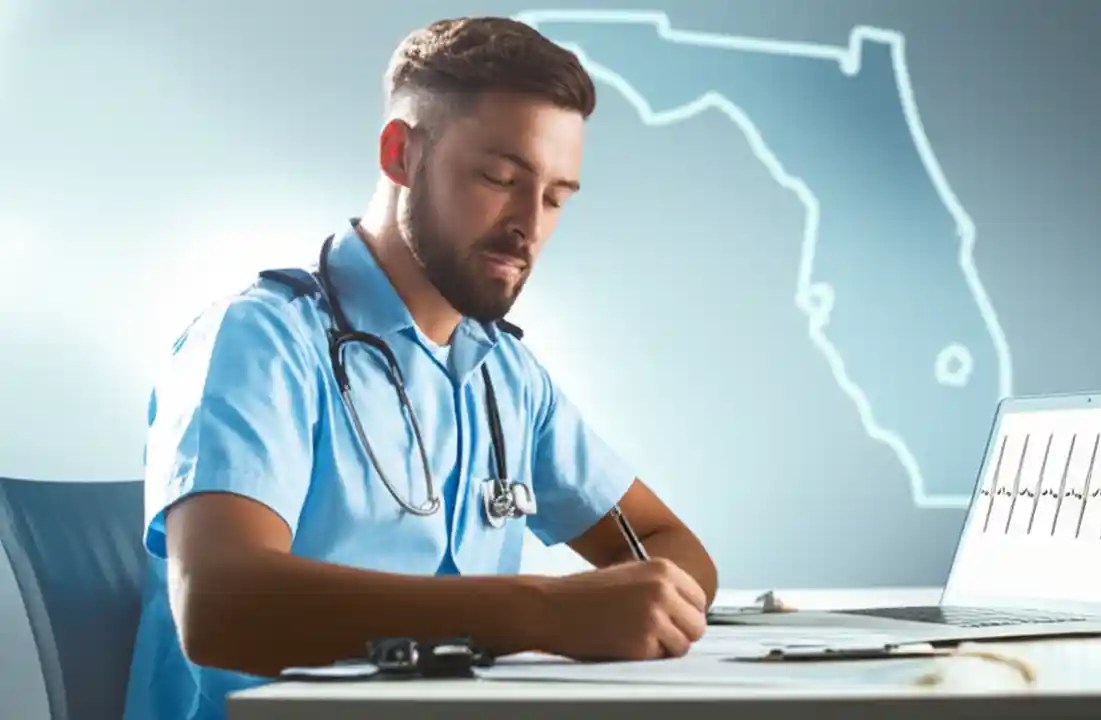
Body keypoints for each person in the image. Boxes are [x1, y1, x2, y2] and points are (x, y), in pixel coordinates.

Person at [122, 16, 717, 720]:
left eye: (556, 197)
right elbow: (222, 607)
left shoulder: (508, 376)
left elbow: (665, 543)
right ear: (401, 155)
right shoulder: (260, 342)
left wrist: (650, 605)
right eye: (500, 177)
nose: (530, 224)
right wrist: (546, 612)